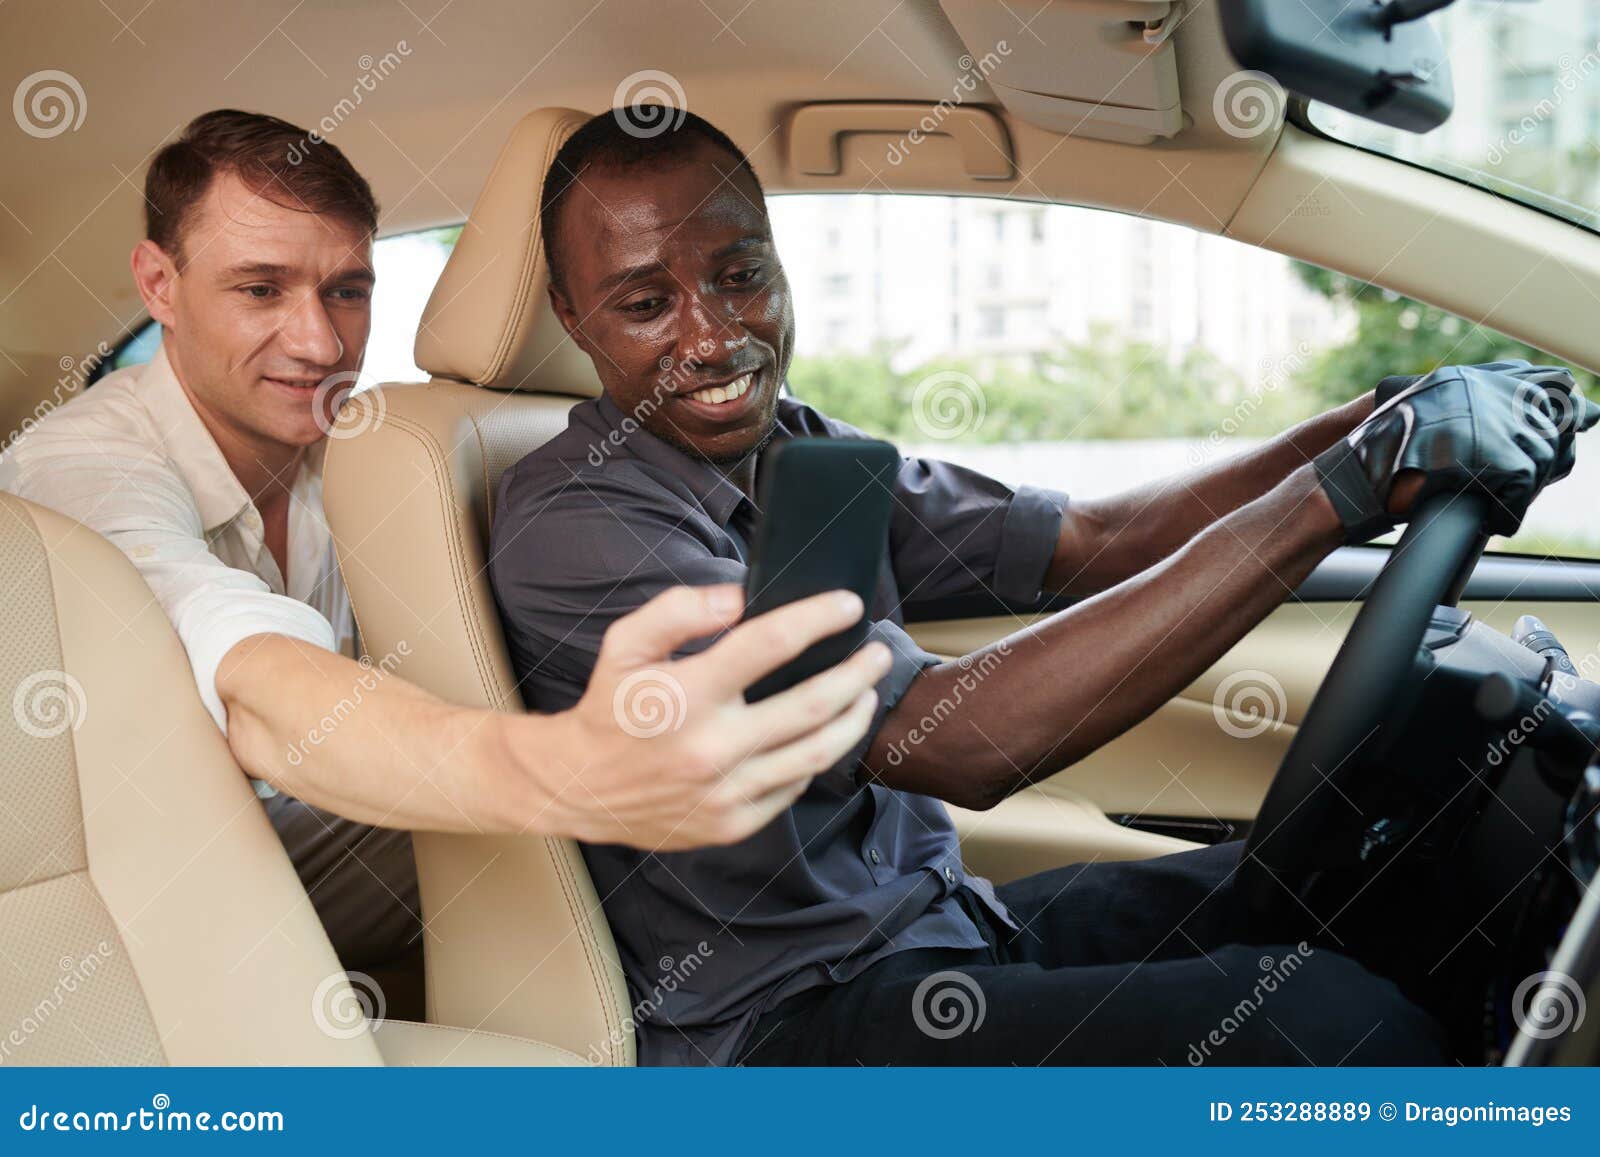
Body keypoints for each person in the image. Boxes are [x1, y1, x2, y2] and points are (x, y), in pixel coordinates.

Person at [487, 108, 1589, 1066]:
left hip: (939, 932)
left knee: (1372, 894)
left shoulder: (800, 454)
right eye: (645, 302)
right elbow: (943, 741)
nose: (715, 333)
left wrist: (1365, 425)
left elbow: (1094, 538)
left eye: (739, 275)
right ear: (573, 316)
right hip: (789, 1027)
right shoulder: (578, 521)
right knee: (1329, 1030)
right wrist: (1330, 494)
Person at [0, 109, 889, 972]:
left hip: (301, 857)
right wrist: (570, 771)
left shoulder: (376, 451)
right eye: (260, 288)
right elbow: (253, 687)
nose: (318, 342)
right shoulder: (81, 470)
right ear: (158, 284)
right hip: (139, 914)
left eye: (347, 290)